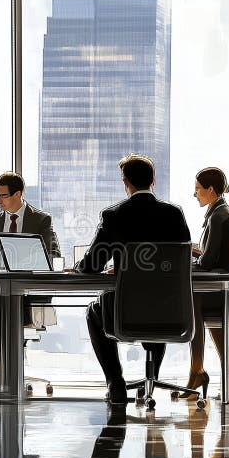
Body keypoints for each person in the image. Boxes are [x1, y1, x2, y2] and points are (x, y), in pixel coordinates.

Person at [76, 153, 191, 405]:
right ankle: (152, 380)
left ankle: (115, 383)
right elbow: (181, 259)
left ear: (125, 182)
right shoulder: (174, 214)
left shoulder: (114, 215)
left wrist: (118, 272)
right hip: (169, 311)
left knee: (93, 311)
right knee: (159, 308)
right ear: (153, 180)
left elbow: (93, 265)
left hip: (126, 311)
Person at [0, 171, 61, 359]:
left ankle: (4, 366)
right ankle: (3, 365)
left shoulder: (41, 220)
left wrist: (30, 262)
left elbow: (53, 255)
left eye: (3, 196)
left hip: (26, 291)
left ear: (18, 194)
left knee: (2, 309)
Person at [182, 167, 229, 402]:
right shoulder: (223, 212)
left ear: (211, 190)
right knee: (194, 299)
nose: (195, 194)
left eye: (198, 189)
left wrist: (191, 253)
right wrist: (198, 251)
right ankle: (196, 371)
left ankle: (197, 371)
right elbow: (216, 255)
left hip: (227, 289)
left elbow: (208, 261)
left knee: (191, 302)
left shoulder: (218, 217)